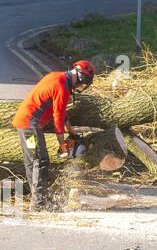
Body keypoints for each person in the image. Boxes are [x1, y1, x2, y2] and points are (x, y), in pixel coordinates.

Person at [11, 60, 95, 208]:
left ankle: (36, 198)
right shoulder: (62, 87)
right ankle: (39, 202)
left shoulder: (57, 77)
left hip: (25, 123)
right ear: (81, 76)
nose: (80, 87)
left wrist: (72, 132)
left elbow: (62, 114)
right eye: (83, 83)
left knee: (32, 161)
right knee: (41, 161)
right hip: (30, 126)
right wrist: (62, 144)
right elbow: (58, 119)